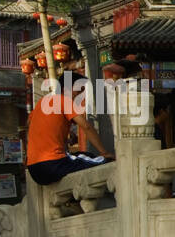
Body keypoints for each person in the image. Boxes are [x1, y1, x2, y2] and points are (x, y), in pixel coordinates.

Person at [25, 49, 114, 186]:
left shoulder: (42, 102)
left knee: (85, 156)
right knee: (104, 161)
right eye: (79, 90)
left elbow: (30, 125)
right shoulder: (64, 100)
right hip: (53, 163)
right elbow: (86, 126)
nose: (80, 95)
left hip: (34, 169)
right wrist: (104, 152)